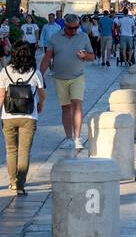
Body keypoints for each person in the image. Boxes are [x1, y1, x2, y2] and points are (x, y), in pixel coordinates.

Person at [0, 42, 45, 196]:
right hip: (29, 116)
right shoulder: (35, 73)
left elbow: (0, 95)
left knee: (11, 150)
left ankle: (12, 181)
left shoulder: (5, 71)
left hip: (8, 116)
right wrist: (40, 104)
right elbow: (42, 93)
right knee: (24, 151)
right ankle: (21, 184)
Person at [39, 12, 95, 153]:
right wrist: (39, 75)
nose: (74, 30)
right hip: (59, 78)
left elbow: (92, 56)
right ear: (65, 26)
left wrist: (85, 56)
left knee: (77, 105)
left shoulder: (83, 37)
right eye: (71, 28)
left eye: (76, 27)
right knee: (66, 108)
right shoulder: (55, 38)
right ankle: (69, 137)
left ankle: (77, 138)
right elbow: (47, 58)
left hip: (77, 77)